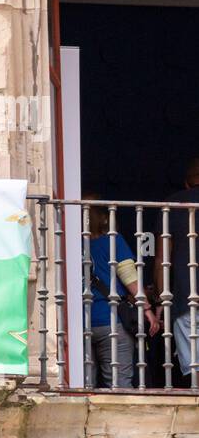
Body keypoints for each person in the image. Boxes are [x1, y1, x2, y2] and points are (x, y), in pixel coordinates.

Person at [85, 196, 159, 387]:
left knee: (83, 388)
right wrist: (148, 310)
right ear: (104, 217)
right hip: (111, 322)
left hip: (80, 325)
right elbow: (130, 279)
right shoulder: (112, 240)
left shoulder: (69, 243)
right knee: (119, 387)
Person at [154, 158, 199, 384]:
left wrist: (162, 298)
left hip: (185, 296)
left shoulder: (172, 204)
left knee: (194, 368)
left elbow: (163, 258)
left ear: (187, 183)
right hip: (184, 298)